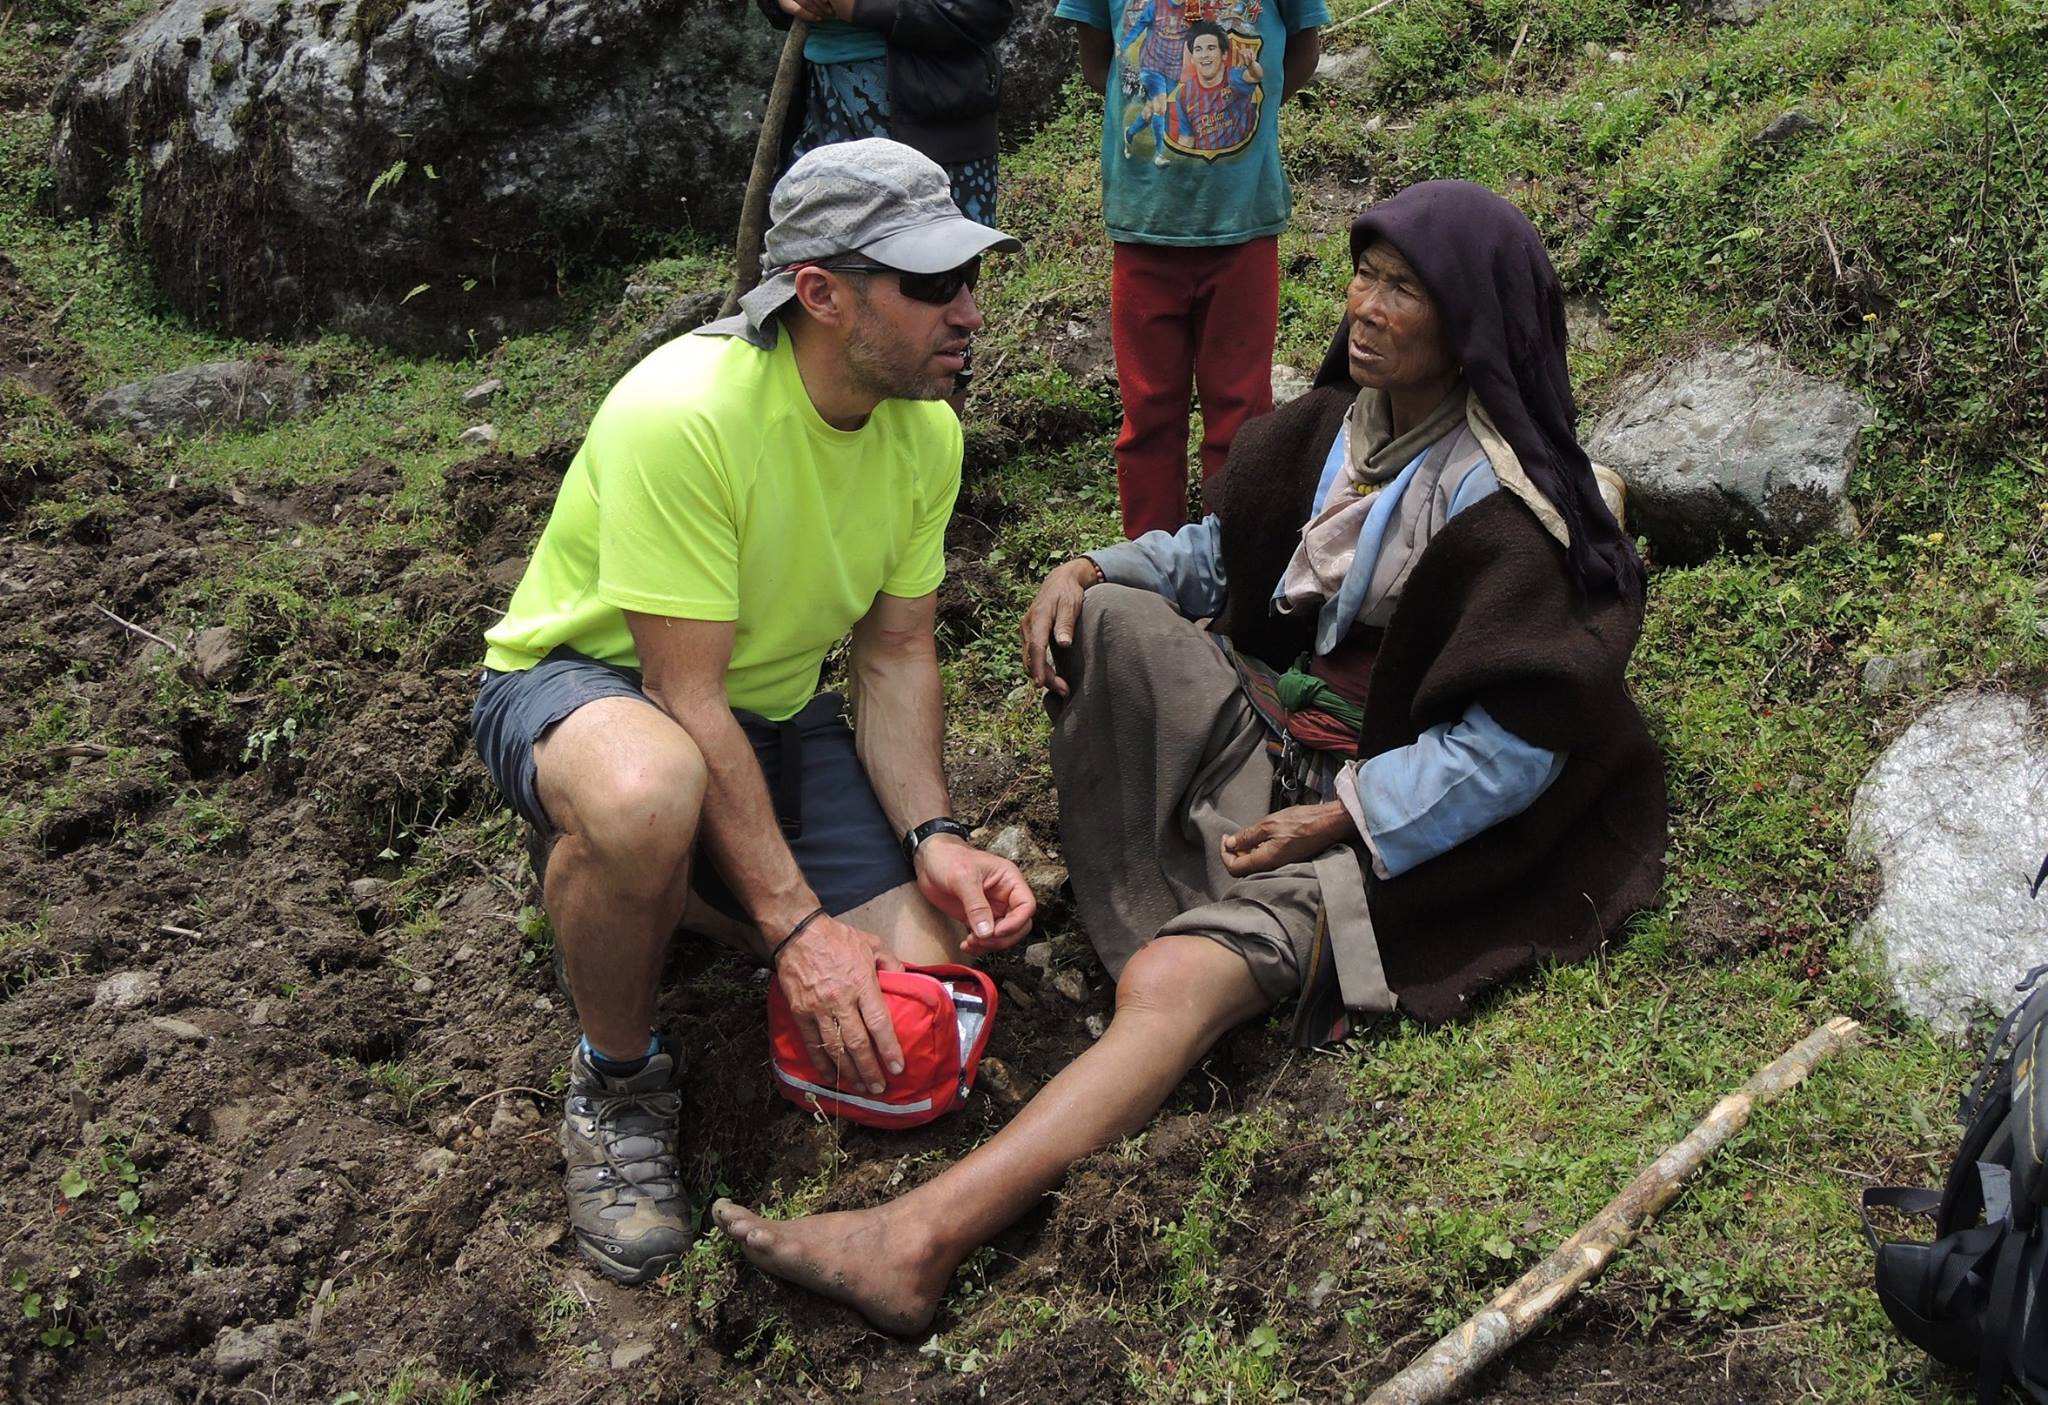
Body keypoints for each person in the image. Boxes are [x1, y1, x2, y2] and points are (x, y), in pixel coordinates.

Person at [709, 180, 1669, 1335]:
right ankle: (1189, 900)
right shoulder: (1337, 432)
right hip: (1278, 747)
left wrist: (1346, 814)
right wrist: (1089, 568)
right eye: (1362, 276)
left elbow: (1508, 752)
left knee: (1174, 985)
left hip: (1389, 833)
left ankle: (917, 1238)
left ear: (1470, 323)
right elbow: (1224, 558)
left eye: (1401, 290)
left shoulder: (1521, 510)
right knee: (1110, 620)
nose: (1362, 308)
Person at [470, 140, 1036, 1287]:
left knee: (922, 975)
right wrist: (797, 931)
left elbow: (892, 656)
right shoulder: (684, 412)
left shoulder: (923, 429)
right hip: (592, 689)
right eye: (930, 283)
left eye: (969, 276)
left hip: (767, 710)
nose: (969, 312)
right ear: (819, 293)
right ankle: (616, 1078)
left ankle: (663, 892)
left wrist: (934, 836)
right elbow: (681, 695)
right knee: (646, 793)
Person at [1060, 0, 1325, 540]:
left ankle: (1232, 559)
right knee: (1149, 413)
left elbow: (1301, 54)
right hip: (1145, 229)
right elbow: (1098, 63)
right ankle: (1152, 562)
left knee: (1242, 412)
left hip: (1242, 225)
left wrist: (1244, 113)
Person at [759, 0, 1011, 228]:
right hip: (822, 104)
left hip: (934, 116)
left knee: (937, 253)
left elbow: (984, 10)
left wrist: (862, 6)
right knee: (828, 248)